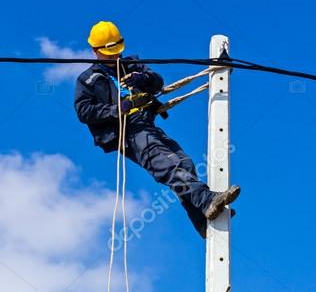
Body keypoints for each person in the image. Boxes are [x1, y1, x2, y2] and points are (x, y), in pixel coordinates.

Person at [74, 21, 240, 238]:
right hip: (126, 132)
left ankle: (201, 219)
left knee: (185, 163)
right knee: (168, 166)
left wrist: (143, 78)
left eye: (117, 51)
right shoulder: (88, 79)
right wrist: (118, 109)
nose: (115, 56)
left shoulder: (131, 65)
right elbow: (84, 111)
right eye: (109, 53)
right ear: (95, 50)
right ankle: (206, 199)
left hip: (146, 124)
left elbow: (158, 83)